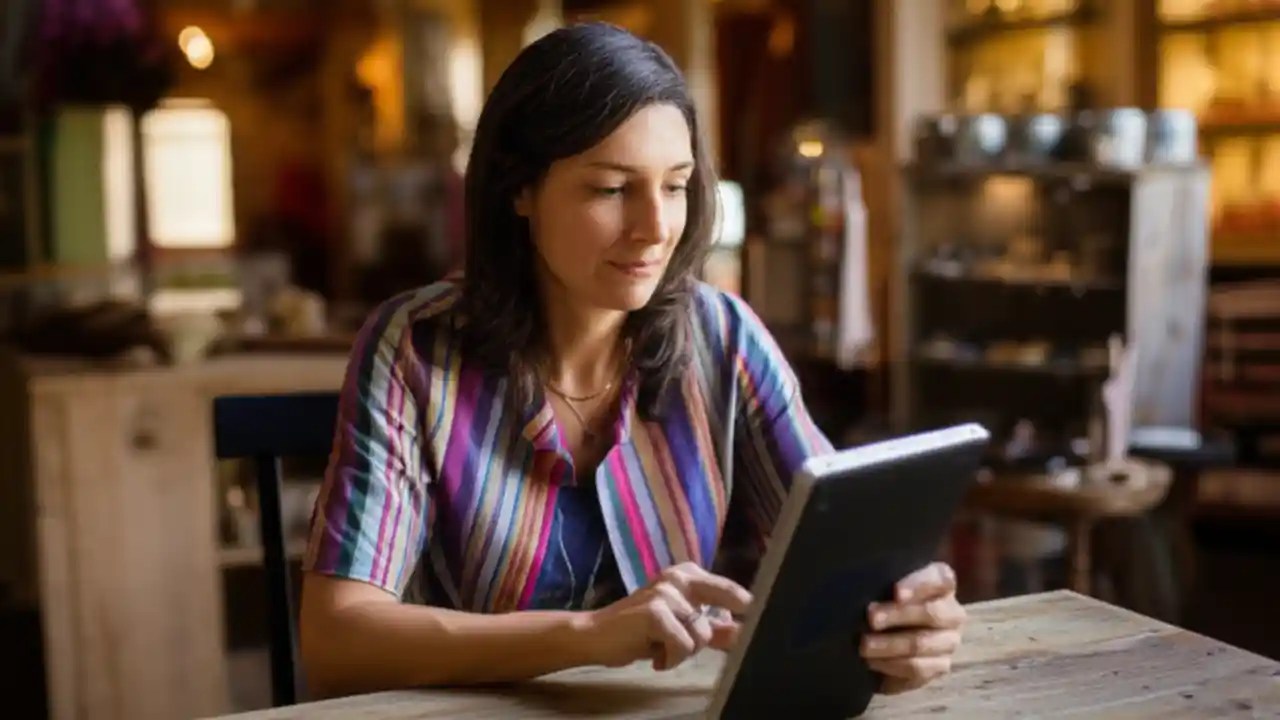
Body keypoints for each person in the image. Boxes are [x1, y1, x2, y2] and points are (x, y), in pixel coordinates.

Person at [300, 22, 967, 700]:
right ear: (518, 188)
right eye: (612, 189)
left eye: (675, 186)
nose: (655, 228)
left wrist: (900, 629)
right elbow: (337, 641)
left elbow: (840, 560)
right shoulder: (416, 348)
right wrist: (588, 635)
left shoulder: (723, 336)